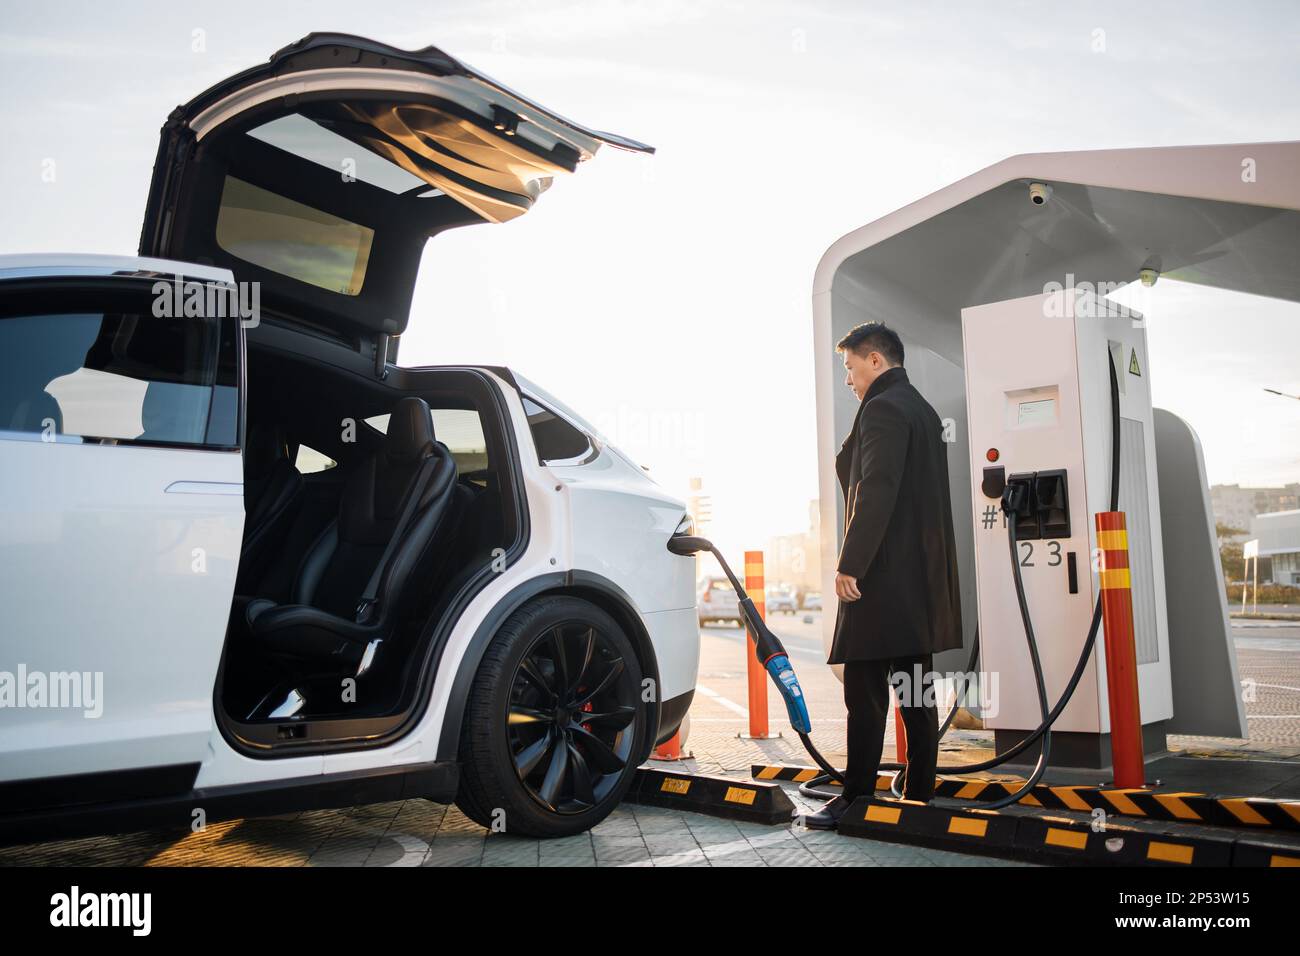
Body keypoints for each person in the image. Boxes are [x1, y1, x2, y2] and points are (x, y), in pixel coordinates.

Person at [803, 322, 963, 829]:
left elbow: (876, 486)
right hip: (917, 582)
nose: (848, 379)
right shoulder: (921, 408)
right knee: (915, 689)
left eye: (851, 367)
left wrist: (852, 562)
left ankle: (855, 800)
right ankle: (920, 795)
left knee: (865, 691)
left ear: (875, 360)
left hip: (881, 576)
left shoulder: (885, 408)